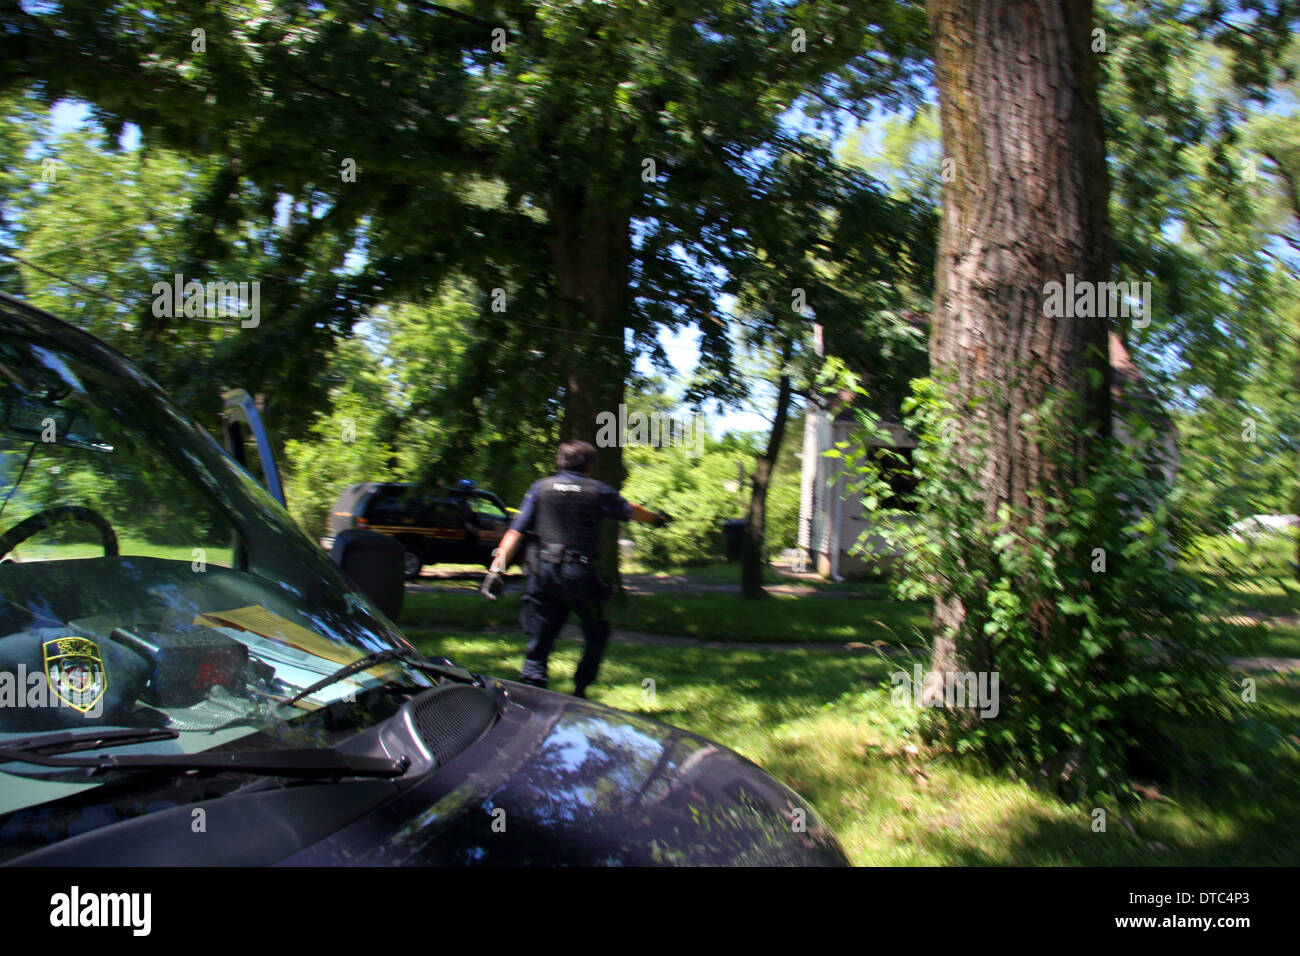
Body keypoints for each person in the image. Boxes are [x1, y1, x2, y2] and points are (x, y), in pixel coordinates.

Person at [481, 439, 670, 697]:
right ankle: (580, 691)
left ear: (559, 462)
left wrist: (495, 571)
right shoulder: (597, 490)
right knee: (596, 632)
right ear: (589, 466)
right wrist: (657, 519)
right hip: (578, 574)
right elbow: (632, 510)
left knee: (541, 637)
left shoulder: (540, 488)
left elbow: (515, 532)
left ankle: (533, 693)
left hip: (543, 573)